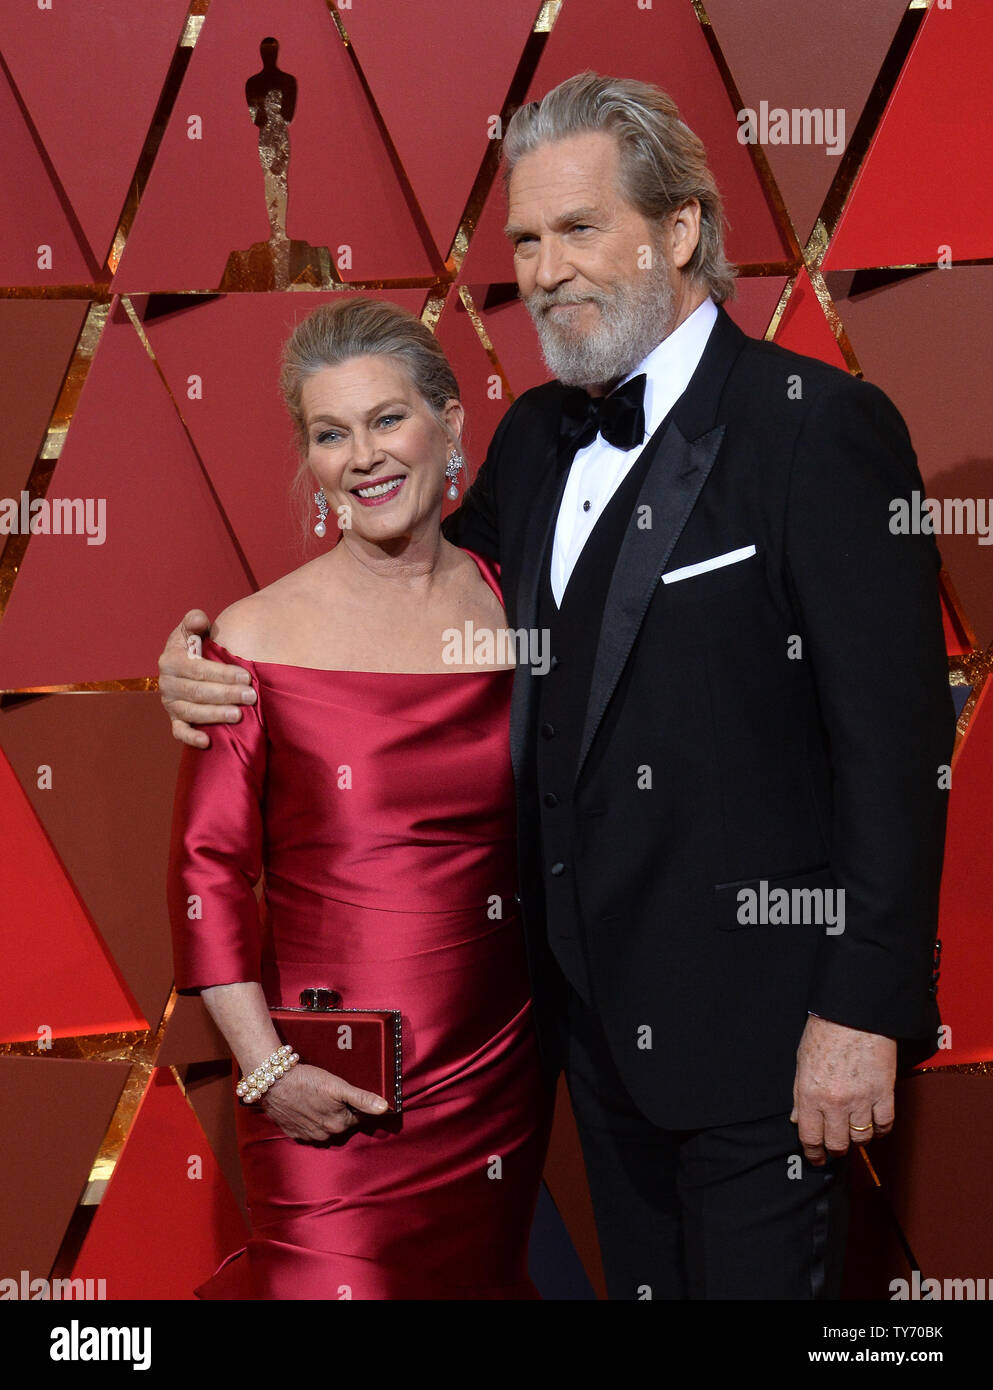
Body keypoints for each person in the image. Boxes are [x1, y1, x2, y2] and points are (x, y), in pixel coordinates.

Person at [159, 73, 956, 1300]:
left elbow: (897, 754)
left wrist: (863, 1014)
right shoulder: (536, 440)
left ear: (679, 231)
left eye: (578, 229)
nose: (543, 268)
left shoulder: (820, 429)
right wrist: (208, 654)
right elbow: (408, 601)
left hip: (772, 1050)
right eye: (526, 239)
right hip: (583, 1055)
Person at [166, 296, 551, 1300]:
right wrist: (265, 1070)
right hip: (321, 1086)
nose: (362, 457)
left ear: (451, 423)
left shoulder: (522, 605)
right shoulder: (249, 638)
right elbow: (205, 874)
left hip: (498, 1073)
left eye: (387, 420)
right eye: (329, 434)